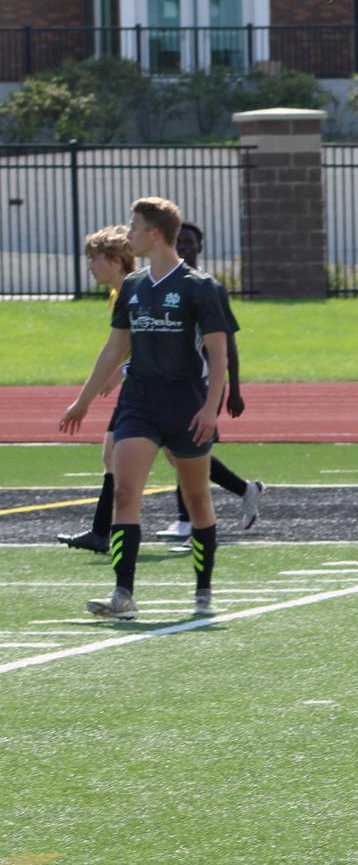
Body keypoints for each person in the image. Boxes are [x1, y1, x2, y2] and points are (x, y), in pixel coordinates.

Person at [57, 197, 234, 619]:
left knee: (197, 500)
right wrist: (82, 400)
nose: (129, 234)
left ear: (154, 234)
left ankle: (203, 592)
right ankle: (123, 594)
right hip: (139, 402)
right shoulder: (132, 287)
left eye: (135, 228)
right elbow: (114, 348)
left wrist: (211, 409)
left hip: (186, 405)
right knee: (123, 493)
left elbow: (219, 356)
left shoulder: (200, 287)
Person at [156, 222, 264, 546]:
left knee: (187, 448)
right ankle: (245, 490)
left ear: (200, 247)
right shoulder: (165, 285)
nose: (185, 247)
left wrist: (235, 389)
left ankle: (189, 521)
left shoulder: (207, 287)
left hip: (203, 383)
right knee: (178, 449)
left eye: (189, 242)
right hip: (172, 382)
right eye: (179, 242)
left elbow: (227, 345)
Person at [56, 226, 135, 554]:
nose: (89, 266)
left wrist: (121, 372)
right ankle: (102, 532)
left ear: (116, 261)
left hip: (154, 385)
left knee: (180, 456)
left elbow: (152, 344)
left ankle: (237, 493)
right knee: (112, 455)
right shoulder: (118, 293)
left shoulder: (134, 291)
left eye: (95, 258)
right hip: (140, 381)